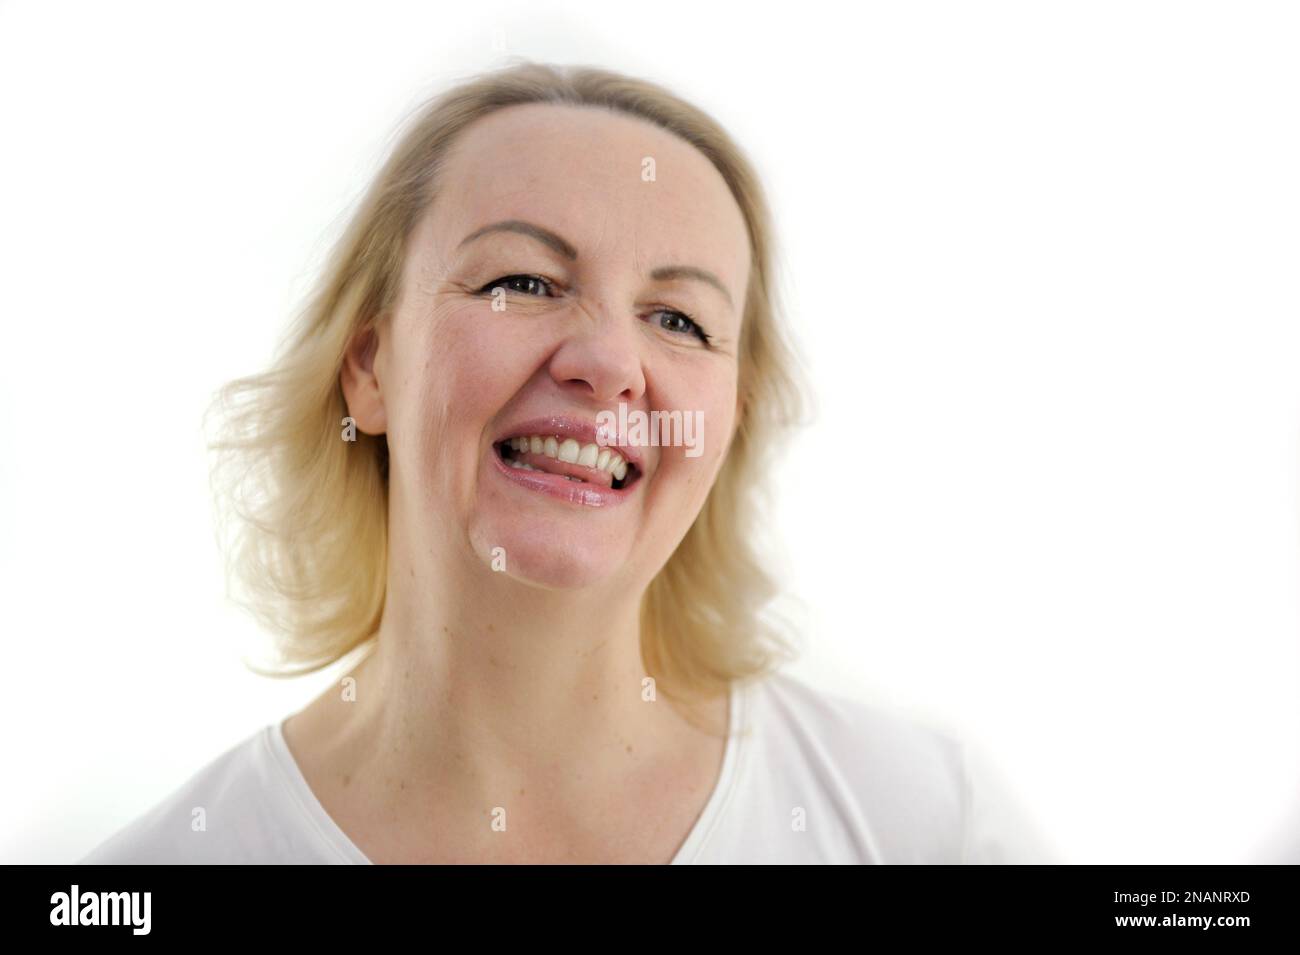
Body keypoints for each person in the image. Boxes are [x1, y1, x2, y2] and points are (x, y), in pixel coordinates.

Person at [78, 59, 1060, 864]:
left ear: (727, 421)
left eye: (677, 318)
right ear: (370, 367)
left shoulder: (924, 822)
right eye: (523, 281)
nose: (607, 363)